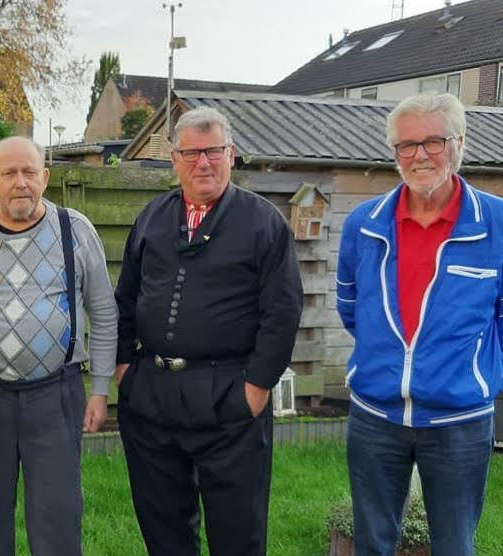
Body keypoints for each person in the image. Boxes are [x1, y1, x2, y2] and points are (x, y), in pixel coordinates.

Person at [335, 93, 503, 555]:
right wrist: (388, 358)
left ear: (459, 144)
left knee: (455, 545)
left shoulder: (502, 223)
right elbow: (352, 309)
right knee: (371, 544)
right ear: (394, 154)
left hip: (459, 420)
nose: (420, 154)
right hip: (375, 417)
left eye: (434, 141)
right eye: (407, 145)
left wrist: (464, 369)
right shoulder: (364, 224)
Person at [113, 106, 303, 556]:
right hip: (152, 396)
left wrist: (255, 389)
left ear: (231, 155)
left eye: (213, 151)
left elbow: (283, 311)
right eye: (192, 153)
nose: (204, 163)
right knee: (164, 533)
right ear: (174, 159)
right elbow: (125, 296)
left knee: (237, 536)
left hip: (229, 397)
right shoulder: (152, 218)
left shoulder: (263, 223)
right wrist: (125, 370)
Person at [0, 136, 117, 555]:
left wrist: (100, 388)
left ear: (45, 178)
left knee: (58, 519)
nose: (20, 182)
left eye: (30, 172)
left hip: (55, 393)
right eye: (9, 173)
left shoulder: (75, 230)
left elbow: (103, 313)